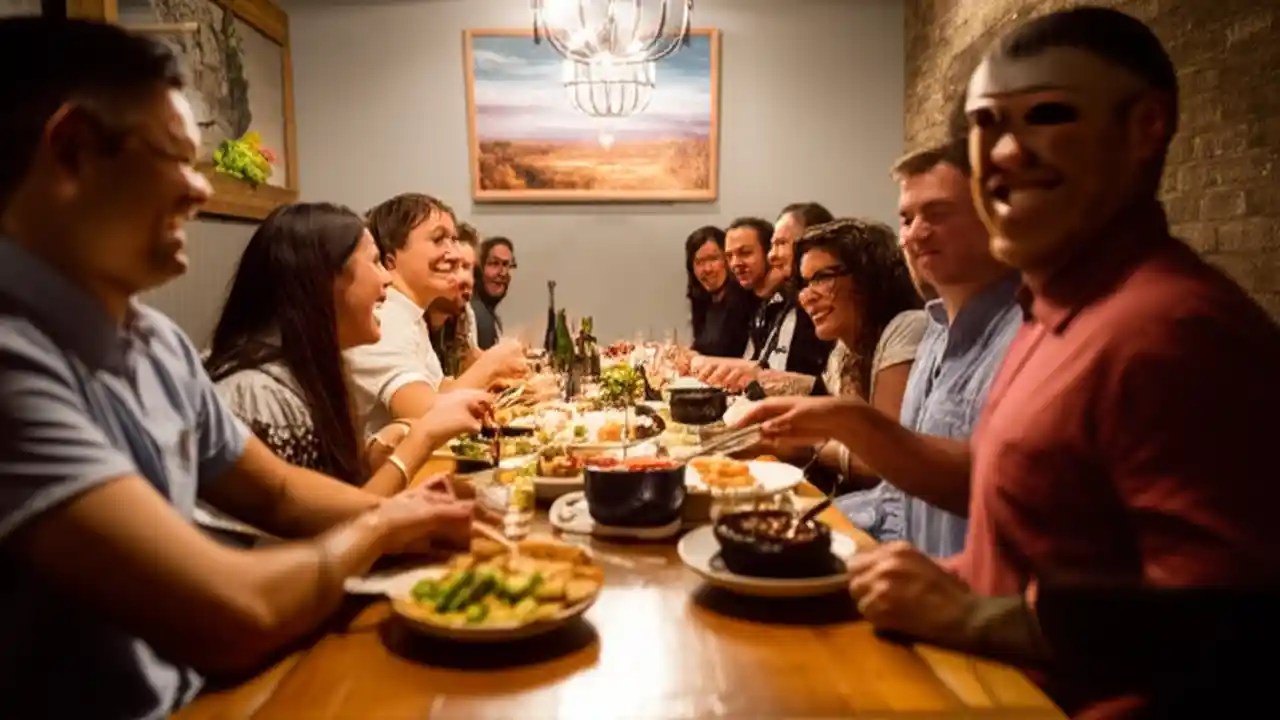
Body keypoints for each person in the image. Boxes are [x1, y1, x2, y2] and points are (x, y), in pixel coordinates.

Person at [739, 7, 1280, 717]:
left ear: (1146, 127)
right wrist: (928, 572)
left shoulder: (1174, 328)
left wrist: (968, 615)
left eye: (1047, 115)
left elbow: (1231, 628)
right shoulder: (1049, 317)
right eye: (985, 126)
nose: (1002, 152)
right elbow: (1018, 500)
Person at [0, 18, 480, 718]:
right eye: (178, 158)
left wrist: (413, 512)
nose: (198, 191)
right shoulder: (14, 362)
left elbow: (279, 494)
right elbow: (234, 612)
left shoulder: (154, 341)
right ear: (71, 151)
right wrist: (382, 529)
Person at [206, 203, 483, 497]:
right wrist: (422, 437)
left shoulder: (315, 371)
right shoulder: (259, 395)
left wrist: (373, 449)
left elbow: (334, 488)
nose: (387, 279)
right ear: (326, 283)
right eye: (375, 262)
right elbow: (320, 529)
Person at [828, 140, 1022, 554]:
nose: (915, 233)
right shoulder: (933, 328)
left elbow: (1003, 497)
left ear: (993, 218)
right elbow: (899, 499)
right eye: (907, 218)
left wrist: (842, 424)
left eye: (937, 214)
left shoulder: (1027, 336)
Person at [346, 194, 524, 436]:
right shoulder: (386, 319)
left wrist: (493, 384)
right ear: (391, 259)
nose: (456, 254)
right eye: (439, 239)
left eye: (453, 240)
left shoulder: (410, 316)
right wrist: (491, 364)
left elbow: (438, 391)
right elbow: (426, 415)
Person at [788, 218, 926, 498]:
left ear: (867, 277)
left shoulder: (907, 327)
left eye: (822, 278)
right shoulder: (843, 350)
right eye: (804, 283)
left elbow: (881, 463)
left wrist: (804, 444)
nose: (806, 297)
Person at [696, 214, 833, 387]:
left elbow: (801, 378)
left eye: (745, 253)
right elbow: (760, 366)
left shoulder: (801, 302)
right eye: (729, 256)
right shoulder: (757, 301)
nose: (735, 263)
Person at [685, 225, 756, 358]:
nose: (707, 269)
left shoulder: (745, 300)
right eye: (699, 262)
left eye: (713, 259)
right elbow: (702, 348)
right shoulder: (702, 301)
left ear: (727, 260)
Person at [428, 221, 481, 378]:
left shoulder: (465, 315)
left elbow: (469, 366)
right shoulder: (411, 321)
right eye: (454, 267)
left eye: (468, 268)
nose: (467, 279)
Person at [472, 235, 515, 350]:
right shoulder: (477, 315)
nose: (503, 273)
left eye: (506, 265)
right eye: (494, 264)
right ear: (478, 269)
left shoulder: (489, 314)